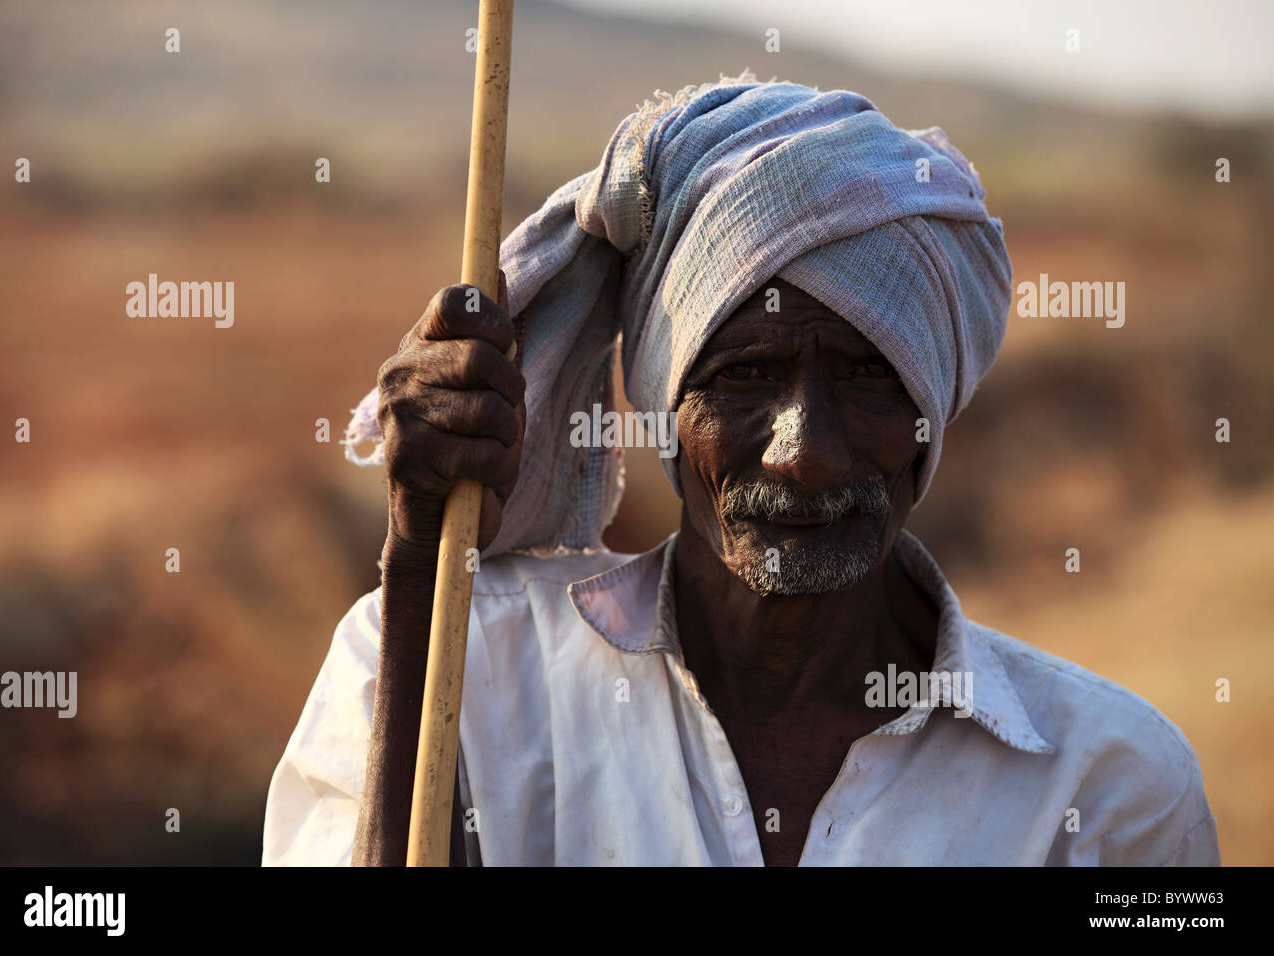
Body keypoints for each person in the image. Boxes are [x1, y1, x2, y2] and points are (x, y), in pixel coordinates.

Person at [262, 74, 1219, 866]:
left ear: (932, 415)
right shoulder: (456, 673)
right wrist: (422, 570)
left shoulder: (1111, 785)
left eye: (866, 378)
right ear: (663, 407)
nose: (802, 452)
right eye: (744, 375)